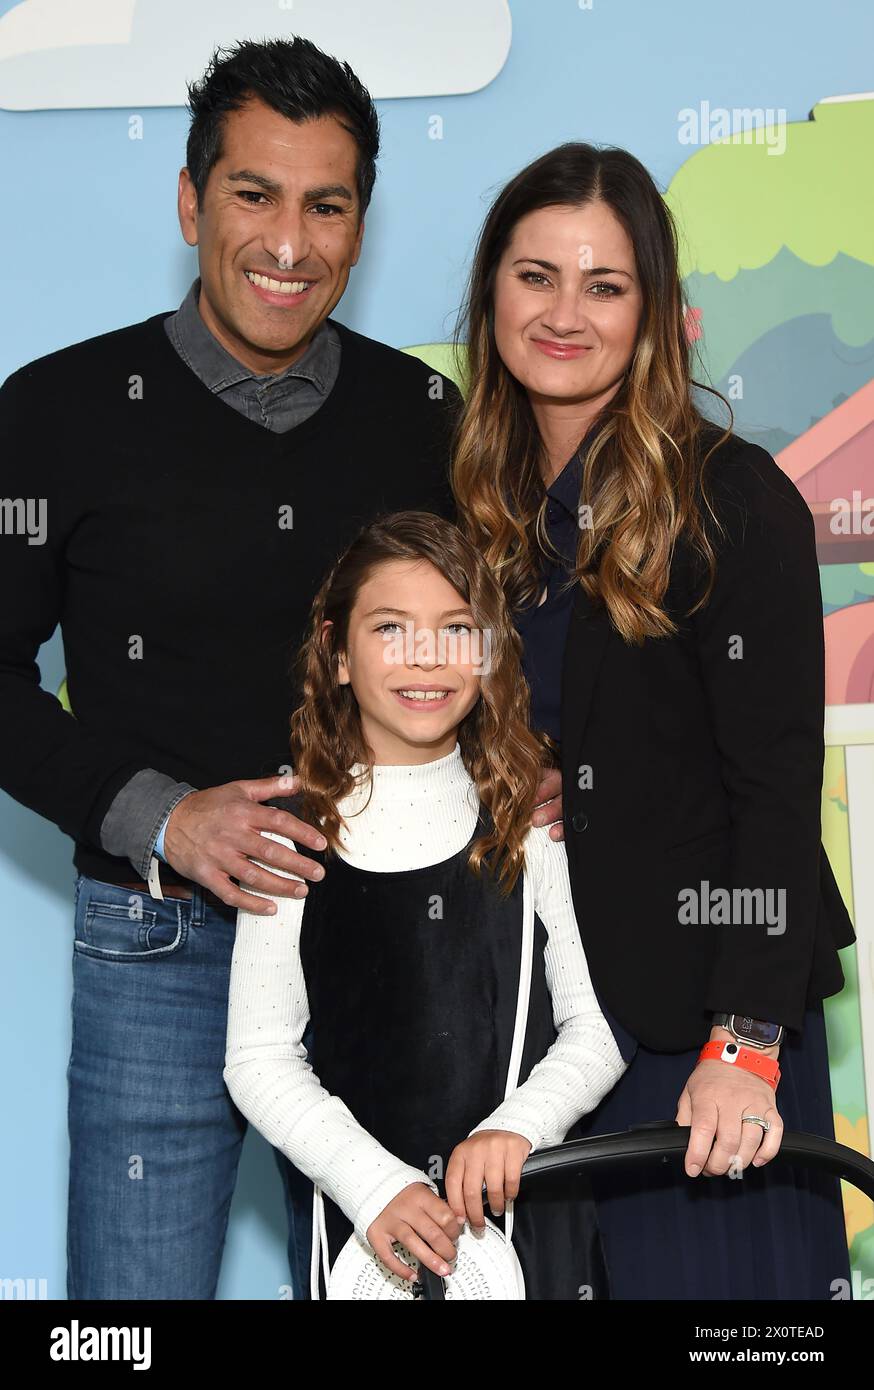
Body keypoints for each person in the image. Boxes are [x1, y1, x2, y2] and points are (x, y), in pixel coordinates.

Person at [0, 37, 567, 1301]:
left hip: (406, 941)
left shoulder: (427, 421)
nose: (290, 242)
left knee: (429, 1290)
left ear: (363, 223)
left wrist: (535, 770)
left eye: (328, 204)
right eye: (253, 194)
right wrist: (162, 816)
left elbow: (491, 647)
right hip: (165, 947)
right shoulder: (55, 413)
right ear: (191, 200)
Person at [448, 141, 857, 1299]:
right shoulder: (472, 512)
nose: (563, 313)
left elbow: (775, 791)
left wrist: (745, 1047)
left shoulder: (734, 499)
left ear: (659, 312)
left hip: (699, 1026)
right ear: (490, 294)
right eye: (535, 277)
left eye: (604, 284)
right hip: (537, 1034)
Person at [222, 510, 627, 1299]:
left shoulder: (531, 824)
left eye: (454, 628)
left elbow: (599, 1025)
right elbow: (259, 1059)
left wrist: (518, 1127)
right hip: (360, 1235)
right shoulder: (292, 841)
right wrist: (373, 1184)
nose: (425, 657)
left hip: (533, 1232)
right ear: (337, 656)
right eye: (390, 628)